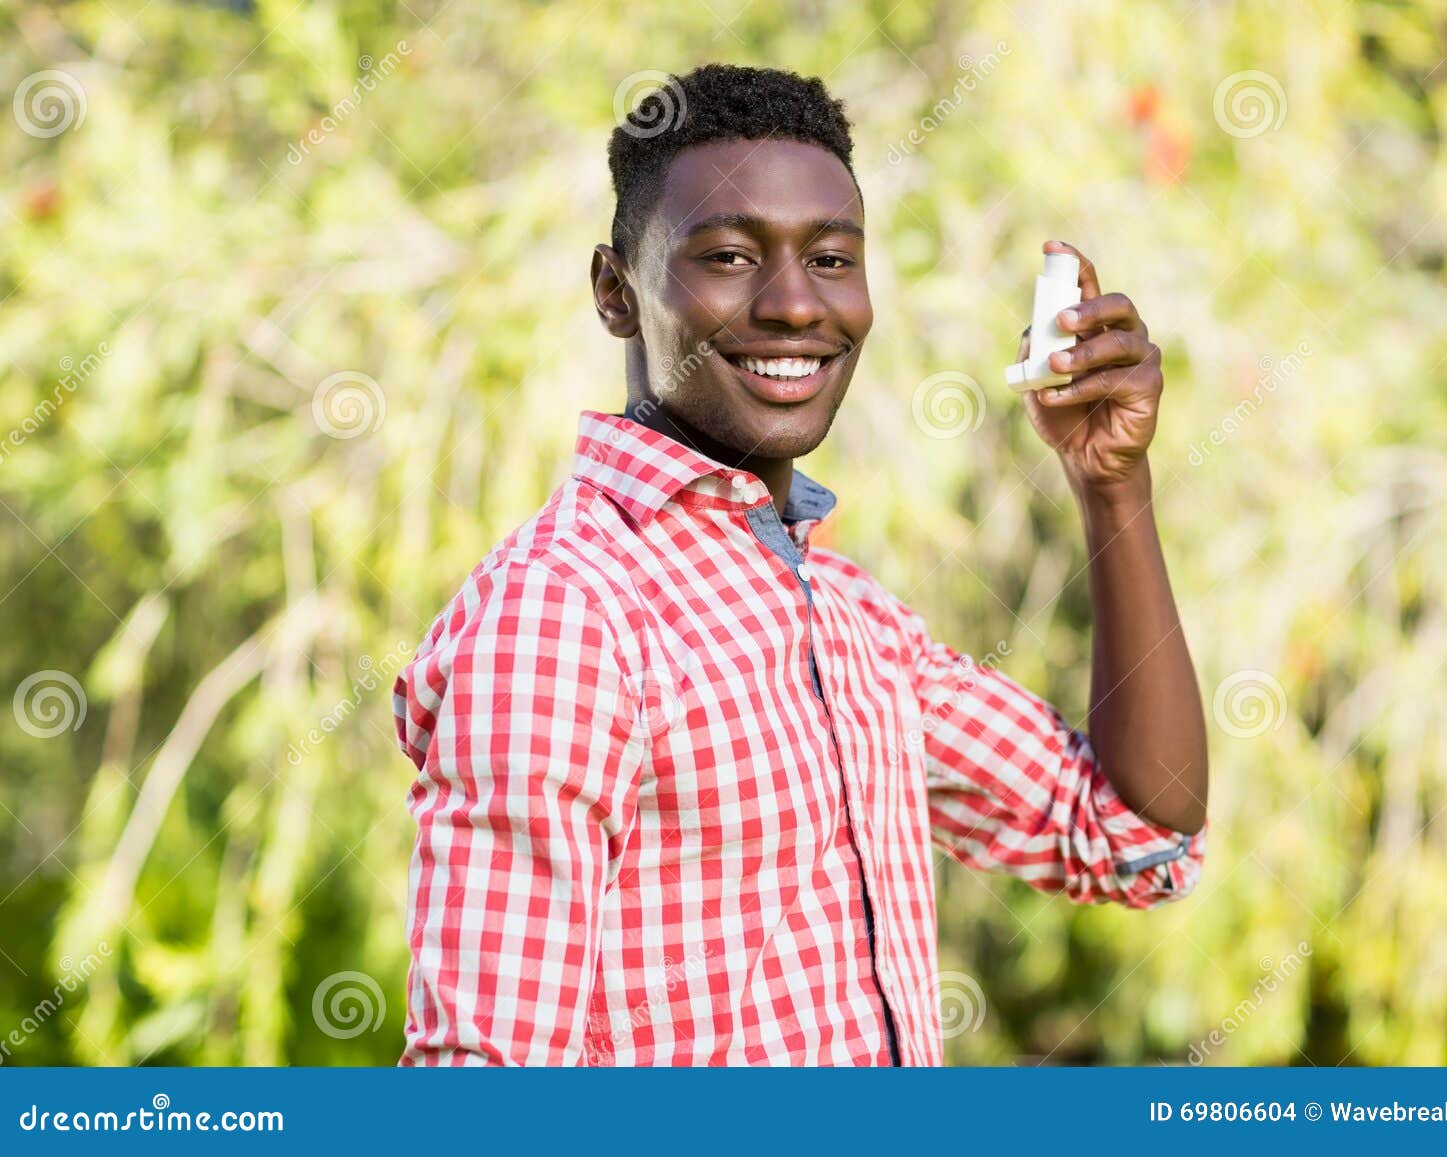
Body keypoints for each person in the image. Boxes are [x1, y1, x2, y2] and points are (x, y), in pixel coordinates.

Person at [392, 63, 1208, 1066]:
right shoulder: (565, 614)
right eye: (729, 256)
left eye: (830, 259)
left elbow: (1130, 829)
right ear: (616, 292)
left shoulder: (849, 619)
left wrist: (1111, 485)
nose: (792, 305)